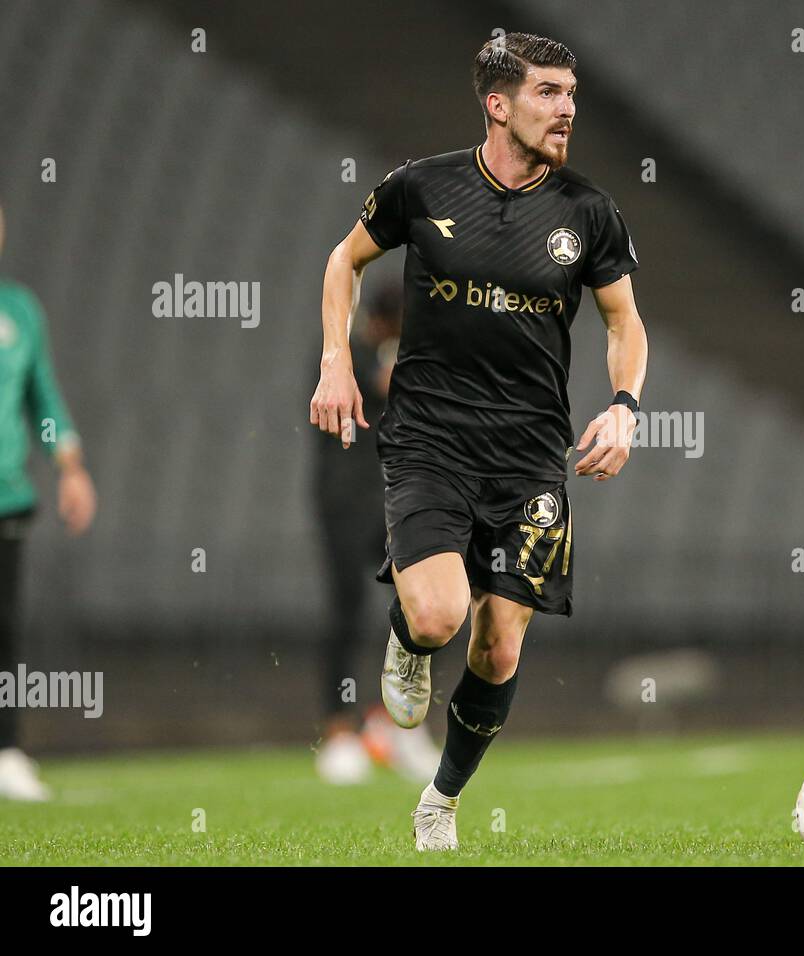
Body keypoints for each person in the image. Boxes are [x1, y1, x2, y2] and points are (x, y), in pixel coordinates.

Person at [309, 33, 648, 850]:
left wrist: (626, 404)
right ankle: (408, 640)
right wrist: (335, 364)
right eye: (548, 93)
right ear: (498, 104)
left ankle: (441, 798)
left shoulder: (589, 212)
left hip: (531, 455)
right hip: (431, 441)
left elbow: (623, 322)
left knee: (495, 650)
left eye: (571, 93)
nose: (567, 108)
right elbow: (343, 262)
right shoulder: (422, 186)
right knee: (437, 617)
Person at [311, 283, 439, 784]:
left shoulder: (391, 358)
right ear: (385, 322)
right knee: (345, 610)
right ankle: (340, 730)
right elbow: (380, 385)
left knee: (423, 606)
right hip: (344, 503)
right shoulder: (343, 355)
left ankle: (396, 722)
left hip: (393, 502)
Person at [0, 200, 97, 801]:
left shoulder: (20, 312)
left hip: (7, 498)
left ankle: (6, 750)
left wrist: (70, 467)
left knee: (4, 632)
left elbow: (44, 402)